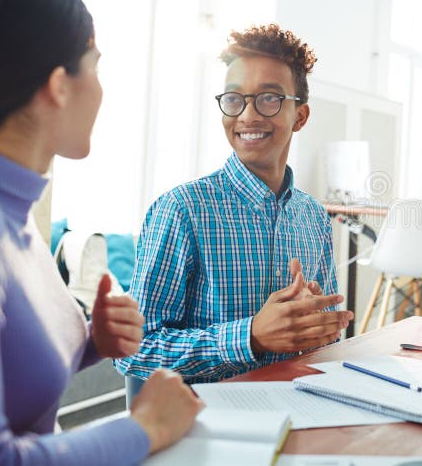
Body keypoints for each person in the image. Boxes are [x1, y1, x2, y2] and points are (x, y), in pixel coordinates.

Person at [0, 0, 202, 464]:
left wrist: (93, 341)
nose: (102, 89)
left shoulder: (7, 209)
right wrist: (146, 428)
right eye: (95, 65)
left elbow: (8, 380)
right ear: (58, 85)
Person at [115, 24, 353, 384]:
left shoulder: (313, 216)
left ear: (300, 116)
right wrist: (250, 337)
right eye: (234, 98)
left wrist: (316, 327)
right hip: (207, 415)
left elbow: (324, 338)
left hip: (297, 404)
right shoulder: (182, 210)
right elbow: (131, 349)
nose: (247, 115)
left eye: (269, 98)